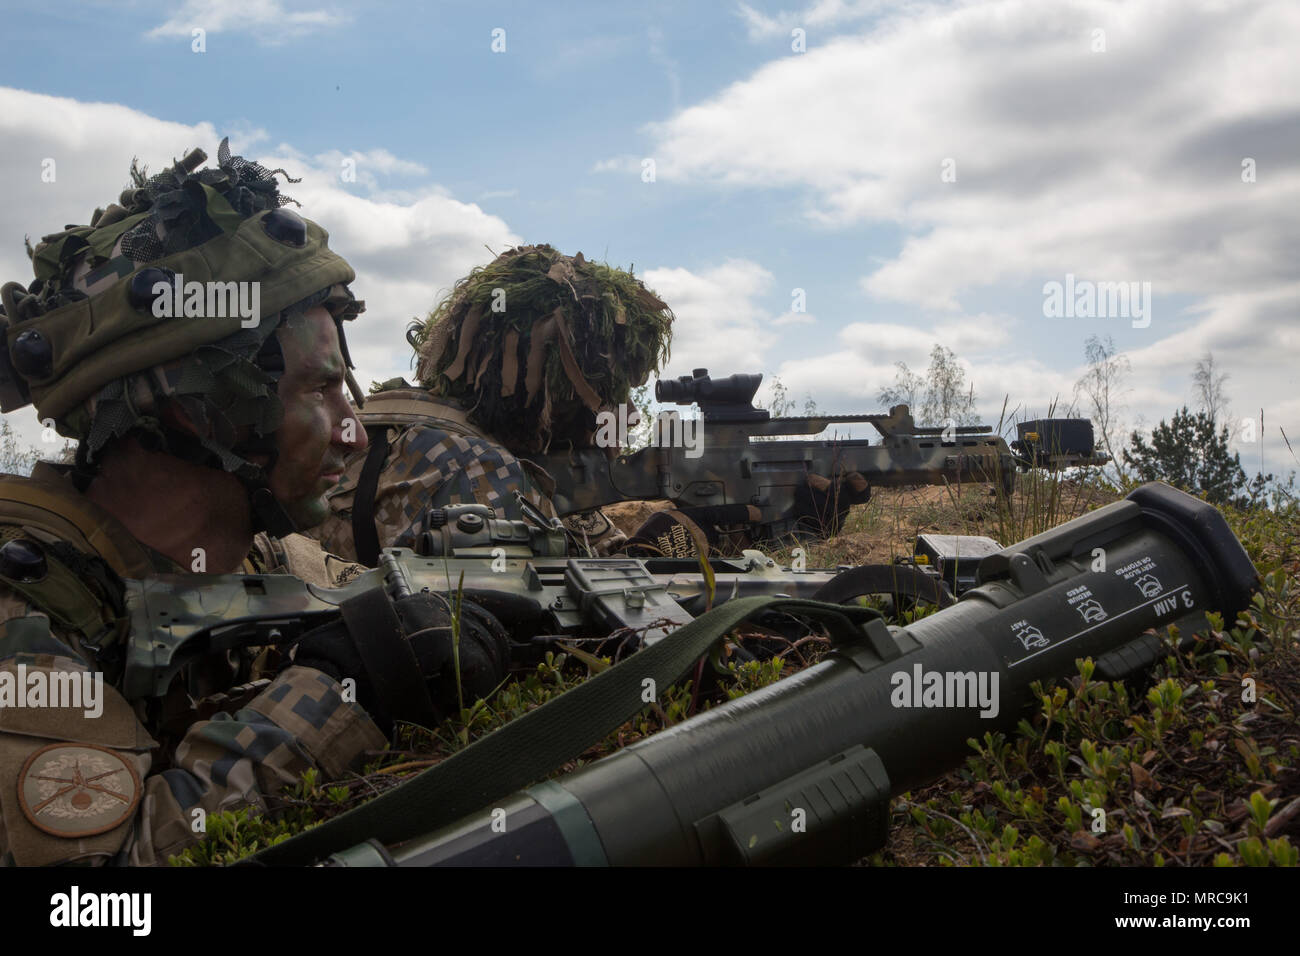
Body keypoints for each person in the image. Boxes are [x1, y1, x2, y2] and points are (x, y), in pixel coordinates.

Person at [0, 141, 505, 866]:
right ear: (199, 413)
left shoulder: (282, 563)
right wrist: (332, 697)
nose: (354, 430)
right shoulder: (30, 605)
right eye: (319, 390)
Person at [313, 244, 675, 564]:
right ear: (553, 397)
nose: (622, 415)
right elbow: (559, 621)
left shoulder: (388, 419)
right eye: (605, 393)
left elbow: (591, 547)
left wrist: (656, 548)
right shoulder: (484, 473)